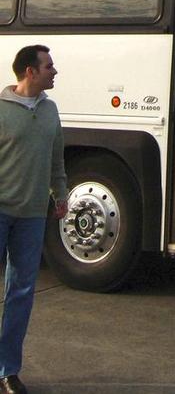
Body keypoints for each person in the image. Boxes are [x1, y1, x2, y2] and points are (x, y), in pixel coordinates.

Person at [0, 46, 67, 394]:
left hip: (32, 216)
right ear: (30, 71)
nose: (54, 71)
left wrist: (61, 194)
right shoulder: (1, 110)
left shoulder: (50, 111)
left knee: (21, 293)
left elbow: (57, 157)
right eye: (48, 66)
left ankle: (7, 370)